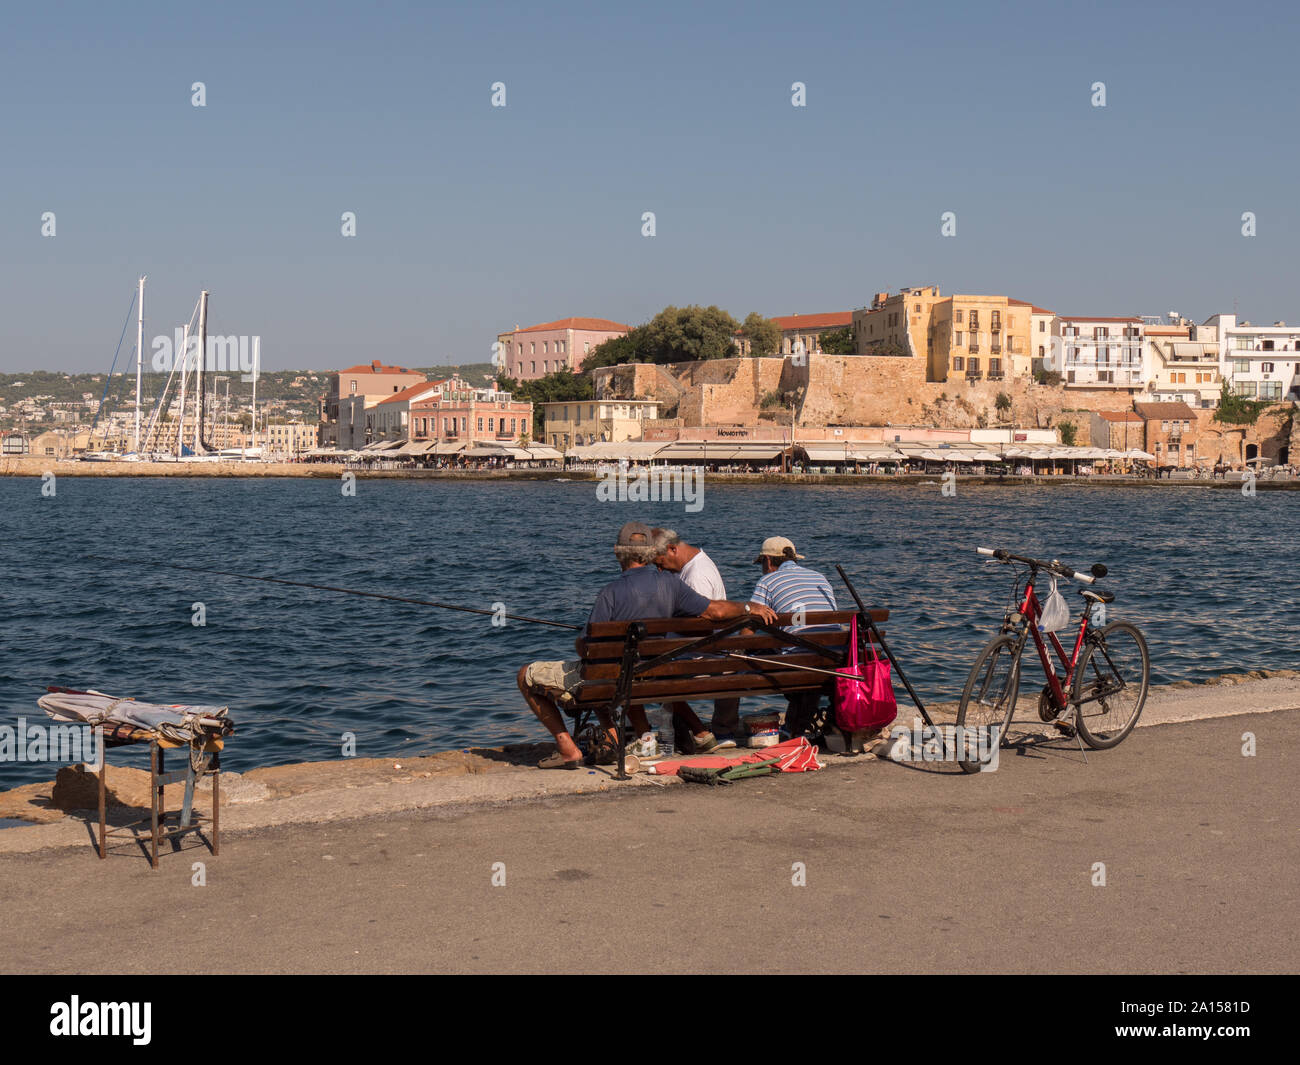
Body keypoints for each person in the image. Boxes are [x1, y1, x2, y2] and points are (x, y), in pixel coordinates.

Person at [517, 522, 777, 769]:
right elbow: (715, 611)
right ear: (651, 553)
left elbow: (586, 649)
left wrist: (580, 641)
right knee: (618, 671)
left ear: (618, 553)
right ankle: (635, 736)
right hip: (651, 673)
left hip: (617, 678)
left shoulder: (610, 592)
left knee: (526, 675)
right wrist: (747, 606)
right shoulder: (672, 585)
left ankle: (568, 749)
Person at [651, 528, 741, 743]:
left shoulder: (696, 576)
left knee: (649, 672)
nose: (660, 569)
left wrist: (664, 629)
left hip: (701, 659)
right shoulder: (697, 564)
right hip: (710, 655)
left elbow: (702, 628)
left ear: (672, 549)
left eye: (660, 563)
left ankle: (696, 732)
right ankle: (694, 730)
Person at [749, 536, 838, 738]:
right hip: (835, 659)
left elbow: (750, 626)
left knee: (756, 649)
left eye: (761, 563)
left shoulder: (767, 581)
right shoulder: (820, 577)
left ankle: (794, 727)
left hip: (799, 663)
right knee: (804, 652)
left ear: (768, 561)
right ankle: (798, 726)